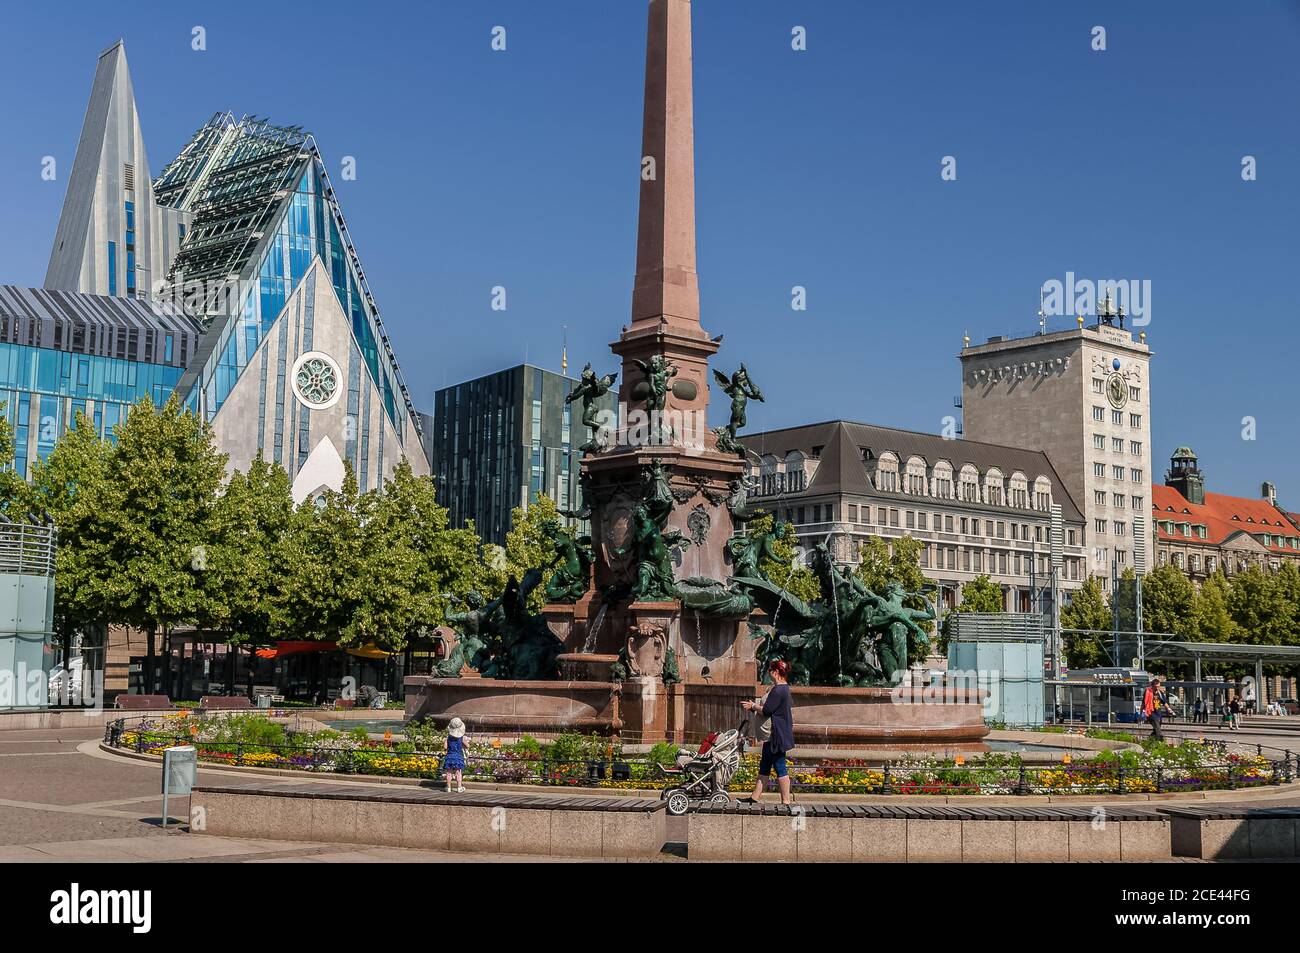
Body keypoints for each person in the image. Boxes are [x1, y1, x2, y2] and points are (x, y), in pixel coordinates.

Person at [741, 659, 795, 805]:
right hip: (771, 736)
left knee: (780, 767)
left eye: (771, 670)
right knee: (764, 767)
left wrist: (753, 706)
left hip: (775, 735)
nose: (769, 673)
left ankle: (786, 801)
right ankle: (754, 798)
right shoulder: (780, 688)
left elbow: (767, 710)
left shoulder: (779, 690)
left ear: (776, 672)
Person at [444, 717, 469, 793]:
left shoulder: (448, 738)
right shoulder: (462, 738)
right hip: (458, 756)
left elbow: (445, 747)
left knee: (449, 772)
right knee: (458, 772)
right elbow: (467, 746)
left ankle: (448, 787)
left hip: (450, 756)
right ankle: (459, 787)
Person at [1142, 677, 1167, 742]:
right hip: (1150, 712)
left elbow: (1164, 702)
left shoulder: (1160, 693)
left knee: (1156, 728)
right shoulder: (1147, 692)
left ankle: (1150, 740)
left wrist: (1169, 709)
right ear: (1152, 686)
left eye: (1158, 686)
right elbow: (1143, 703)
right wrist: (1141, 713)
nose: (1157, 688)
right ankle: (1160, 739)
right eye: (1156, 686)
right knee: (1157, 726)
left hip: (1158, 712)